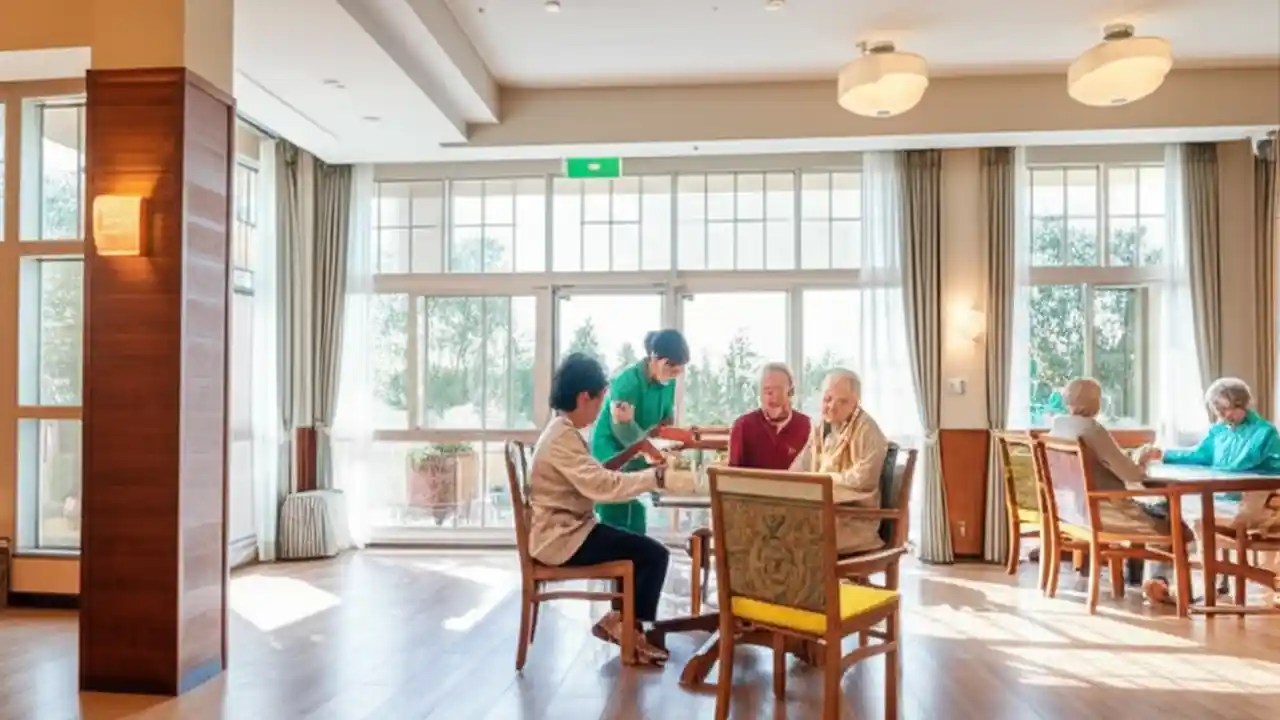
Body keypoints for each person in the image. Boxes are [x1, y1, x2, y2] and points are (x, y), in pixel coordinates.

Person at [528, 353, 672, 665]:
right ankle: (630, 631)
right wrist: (655, 477)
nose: (600, 411)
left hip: (569, 529)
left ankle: (619, 623)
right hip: (562, 538)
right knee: (654, 554)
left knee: (633, 547)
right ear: (584, 397)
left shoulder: (561, 431)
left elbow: (598, 478)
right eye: (599, 401)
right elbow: (602, 487)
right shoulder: (561, 438)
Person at [1146, 377, 1280, 603]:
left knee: (1182, 512)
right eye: (1217, 410)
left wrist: (1214, 465)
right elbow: (1200, 455)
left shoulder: (1265, 433)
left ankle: (1189, 581)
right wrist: (1165, 454)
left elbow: (1240, 463)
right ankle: (1165, 582)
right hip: (1222, 498)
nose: (1222, 415)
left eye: (1225, 409)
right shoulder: (1219, 430)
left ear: (1242, 404)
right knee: (1168, 509)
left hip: (1252, 505)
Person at [1048, 378, 1178, 598]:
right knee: (1172, 517)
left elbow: (1108, 462)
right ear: (1097, 402)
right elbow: (1130, 474)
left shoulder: (1058, 426)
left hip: (1071, 511)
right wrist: (1142, 461)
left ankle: (1140, 579)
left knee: (1156, 511)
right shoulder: (1092, 429)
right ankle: (1159, 582)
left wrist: (1132, 460)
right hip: (1105, 512)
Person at [590, 329, 690, 535]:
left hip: (639, 447)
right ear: (656, 359)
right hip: (612, 449)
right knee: (617, 510)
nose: (674, 376)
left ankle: (634, 558)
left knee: (635, 513)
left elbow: (665, 419)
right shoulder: (627, 383)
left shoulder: (667, 383)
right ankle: (616, 560)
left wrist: (672, 442)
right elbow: (622, 428)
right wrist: (651, 451)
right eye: (671, 370)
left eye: (678, 372)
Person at [790, 368, 888, 555]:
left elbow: (863, 480)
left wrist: (825, 479)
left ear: (855, 403)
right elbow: (799, 468)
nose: (832, 406)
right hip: (821, 511)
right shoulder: (820, 427)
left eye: (842, 401)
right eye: (827, 399)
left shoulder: (867, 429)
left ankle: (812, 584)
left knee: (796, 535)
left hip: (854, 519)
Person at [728, 362, 812, 470]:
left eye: (779, 391)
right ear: (760, 394)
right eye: (768, 391)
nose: (774, 398)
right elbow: (733, 477)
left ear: (791, 392)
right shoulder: (743, 426)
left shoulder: (807, 427)